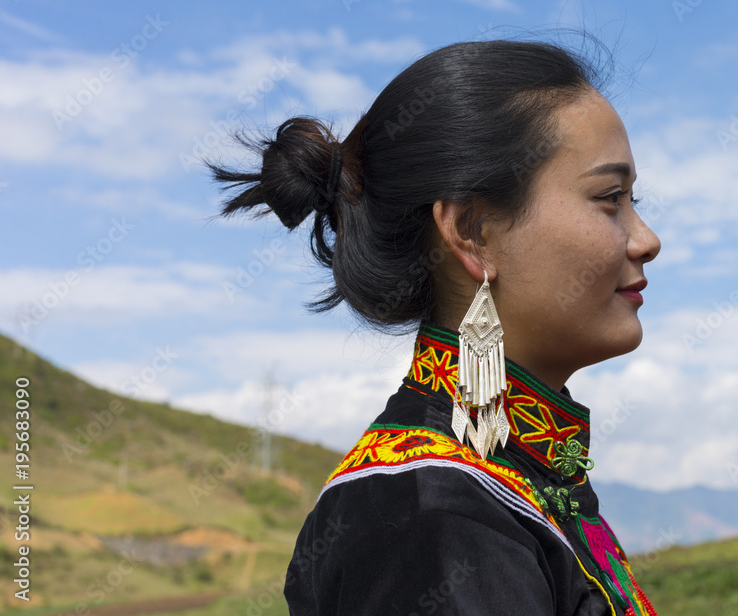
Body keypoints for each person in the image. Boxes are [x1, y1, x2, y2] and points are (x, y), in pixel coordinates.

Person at [209, 38, 661, 615]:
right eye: (609, 197)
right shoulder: (433, 511)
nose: (646, 239)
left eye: (633, 198)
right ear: (472, 231)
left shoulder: (521, 477)